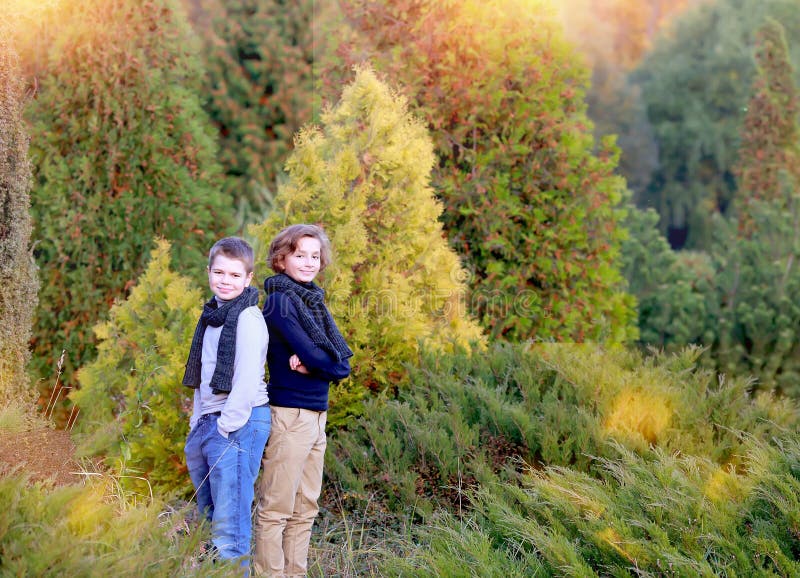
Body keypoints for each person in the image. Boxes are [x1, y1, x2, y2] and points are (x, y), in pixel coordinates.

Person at [254, 224, 352, 577]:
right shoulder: (281, 301)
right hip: (289, 413)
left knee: (305, 507)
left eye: (315, 256)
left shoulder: (313, 301)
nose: (309, 262)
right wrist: (317, 362)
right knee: (276, 508)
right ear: (281, 260)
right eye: (300, 255)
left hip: (316, 415)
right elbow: (323, 358)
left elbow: (340, 366)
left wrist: (316, 366)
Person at [183, 236, 271, 569]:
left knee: (229, 530)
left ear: (248, 278)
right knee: (211, 518)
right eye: (219, 272)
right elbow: (204, 376)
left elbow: (248, 379)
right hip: (210, 421)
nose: (225, 280)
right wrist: (197, 421)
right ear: (208, 272)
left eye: (235, 275)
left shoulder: (247, 318)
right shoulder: (212, 317)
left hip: (238, 421)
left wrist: (225, 427)